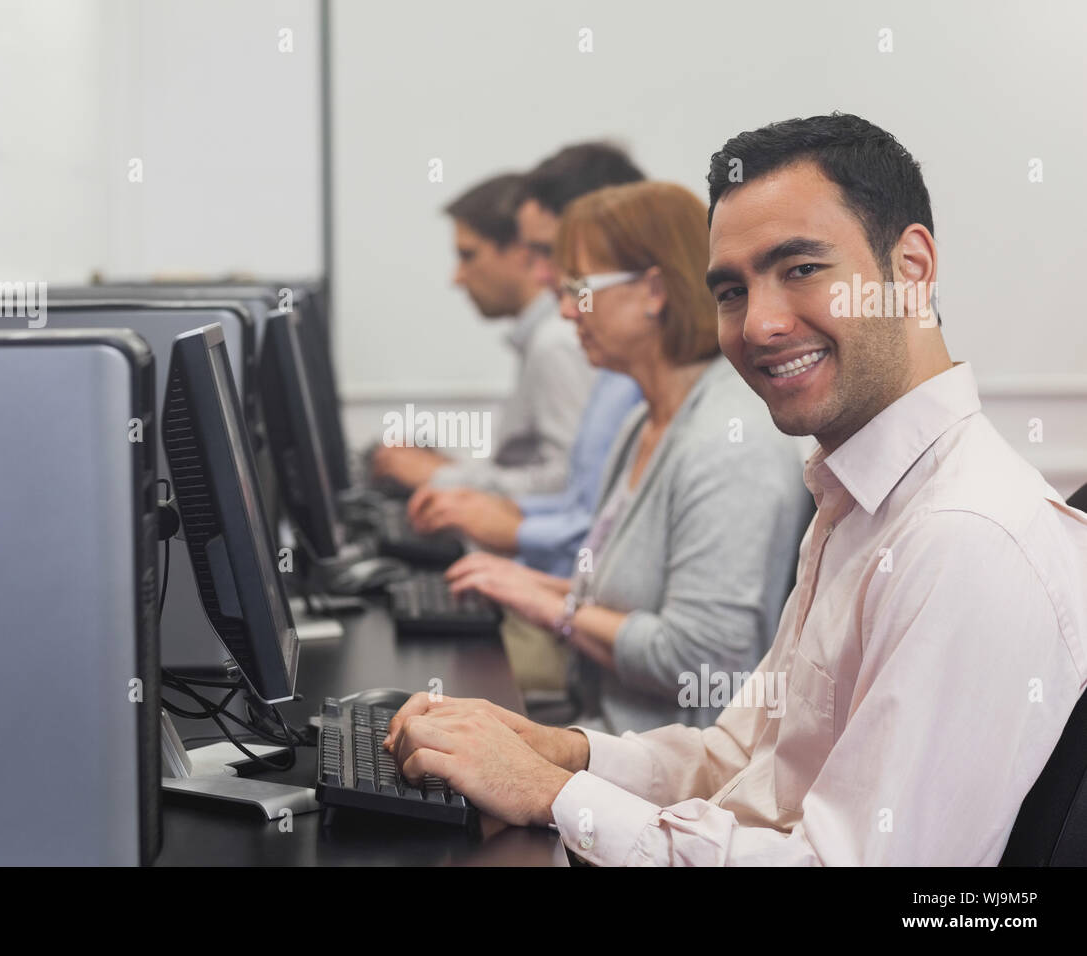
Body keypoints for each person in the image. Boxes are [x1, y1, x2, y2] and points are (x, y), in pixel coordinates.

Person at [383, 113, 1087, 866]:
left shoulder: (965, 537)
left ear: (911, 268)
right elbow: (739, 756)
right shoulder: (855, 493)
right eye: (730, 290)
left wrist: (556, 798)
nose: (759, 324)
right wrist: (565, 753)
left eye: (801, 269)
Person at [435, 180, 811, 733]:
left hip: (673, 782)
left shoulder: (729, 446)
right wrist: (531, 586)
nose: (564, 311)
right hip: (612, 736)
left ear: (654, 291)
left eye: (579, 289)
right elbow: (629, 603)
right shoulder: (647, 418)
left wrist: (551, 609)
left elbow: (700, 664)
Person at [407, 143, 647, 579]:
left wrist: (462, 489)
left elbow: (590, 520)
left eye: (547, 252)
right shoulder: (616, 374)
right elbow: (583, 502)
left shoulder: (563, 343)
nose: (540, 275)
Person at [370, 171, 594, 496]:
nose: (457, 278)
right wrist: (450, 469)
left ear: (523, 251)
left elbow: (568, 485)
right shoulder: (543, 339)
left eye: (468, 255)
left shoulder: (556, 343)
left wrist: (443, 476)